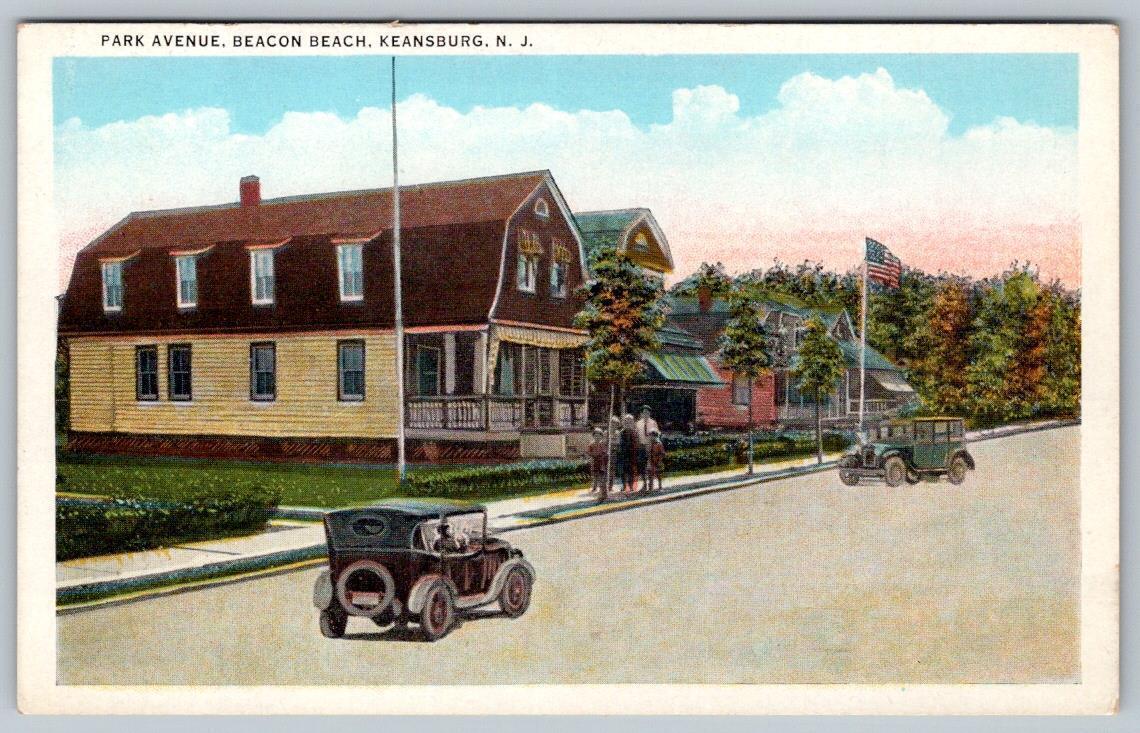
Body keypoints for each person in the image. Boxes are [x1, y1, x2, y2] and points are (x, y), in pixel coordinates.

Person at [634, 406, 659, 492]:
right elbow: (636, 435)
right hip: (641, 446)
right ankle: (644, 484)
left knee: (650, 467)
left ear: (649, 413)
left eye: (647, 412)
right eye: (644, 412)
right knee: (642, 466)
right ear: (641, 414)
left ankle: (651, 485)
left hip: (651, 447)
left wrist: (655, 445)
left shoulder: (653, 423)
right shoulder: (638, 423)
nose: (645, 414)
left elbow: (657, 435)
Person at [619, 413, 639, 494]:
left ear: (633, 422)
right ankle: (624, 485)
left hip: (632, 454)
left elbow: (637, 443)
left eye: (630, 421)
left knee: (631, 470)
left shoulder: (635, 432)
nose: (628, 423)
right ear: (624, 422)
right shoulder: (621, 432)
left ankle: (631, 486)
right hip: (623, 454)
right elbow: (619, 443)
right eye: (626, 421)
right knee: (623, 471)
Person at [586, 427, 609, 494]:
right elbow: (588, 452)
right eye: (595, 435)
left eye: (599, 435)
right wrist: (590, 457)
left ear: (601, 436)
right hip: (594, 460)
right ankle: (594, 487)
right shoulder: (591, 444)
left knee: (601, 475)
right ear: (593, 436)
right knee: (595, 475)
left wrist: (604, 455)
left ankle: (602, 488)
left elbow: (605, 452)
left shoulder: (603, 444)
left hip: (601, 461)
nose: (597, 437)